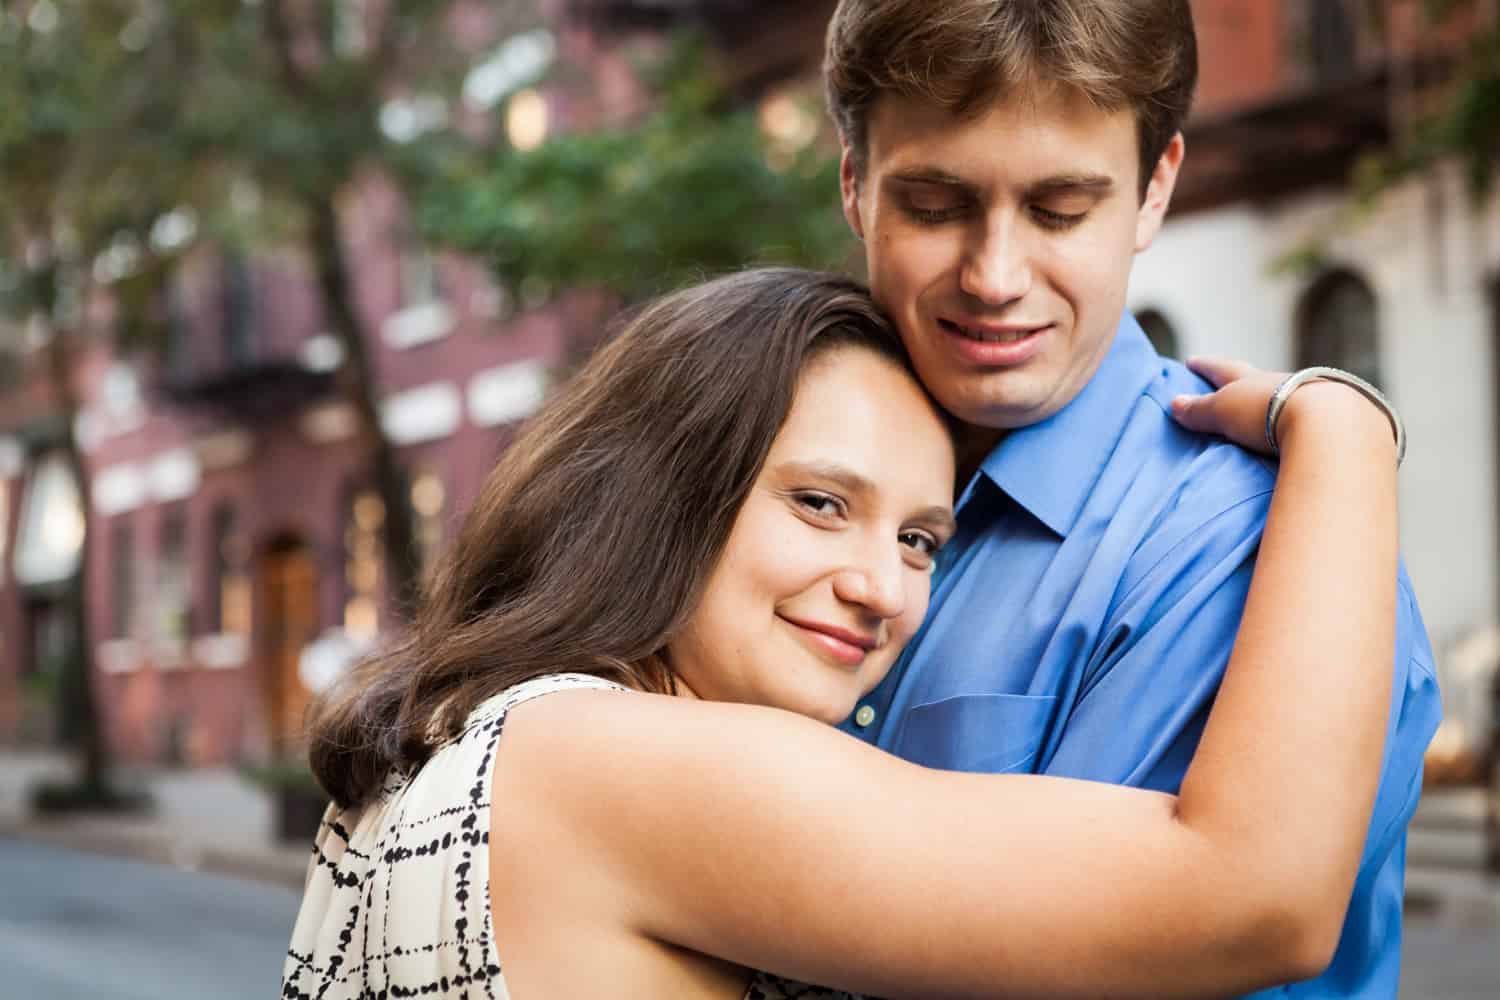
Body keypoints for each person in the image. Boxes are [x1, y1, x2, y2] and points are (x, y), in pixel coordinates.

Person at [285, 267, 1405, 999]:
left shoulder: (450, 750)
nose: (883, 587)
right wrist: (1343, 429)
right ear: (665, 492)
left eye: (922, 539)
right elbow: (1258, 895)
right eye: (821, 502)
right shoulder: (631, 768)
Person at [822, 3, 1441, 995]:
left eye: (1061, 209)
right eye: (935, 205)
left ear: (1156, 188)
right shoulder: (766, 467)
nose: (995, 275)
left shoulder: (1251, 543)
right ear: (855, 184)